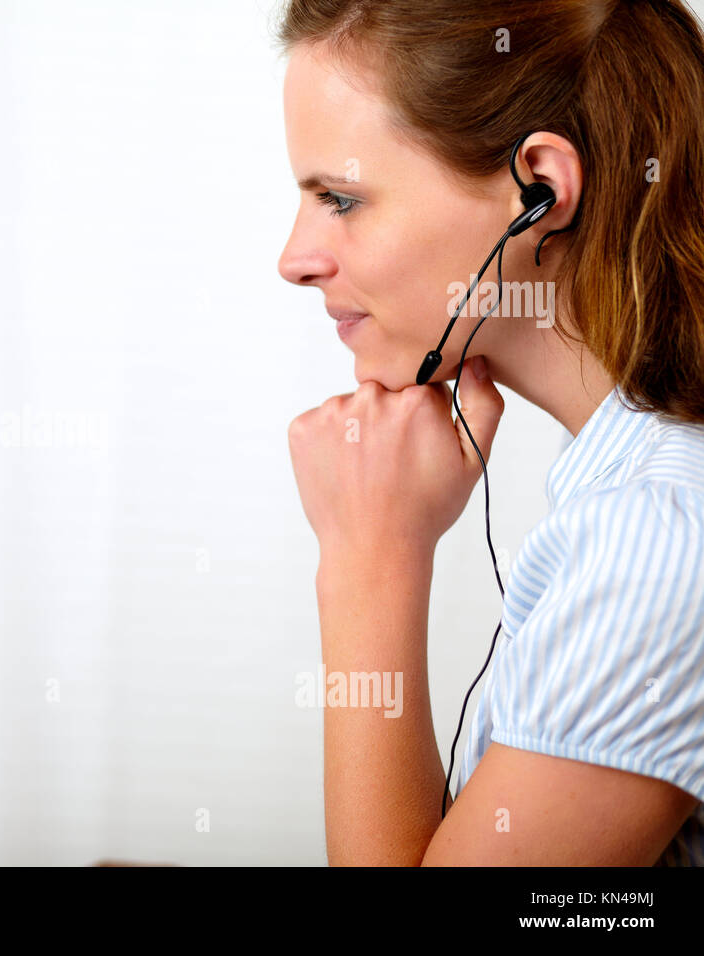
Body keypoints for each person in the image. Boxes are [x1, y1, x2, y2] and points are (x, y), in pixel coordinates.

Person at [278, 0, 704, 864]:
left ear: (540, 189)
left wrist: (372, 557)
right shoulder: (635, 486)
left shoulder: (652, 544)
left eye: (343, 199)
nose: (294, 257)